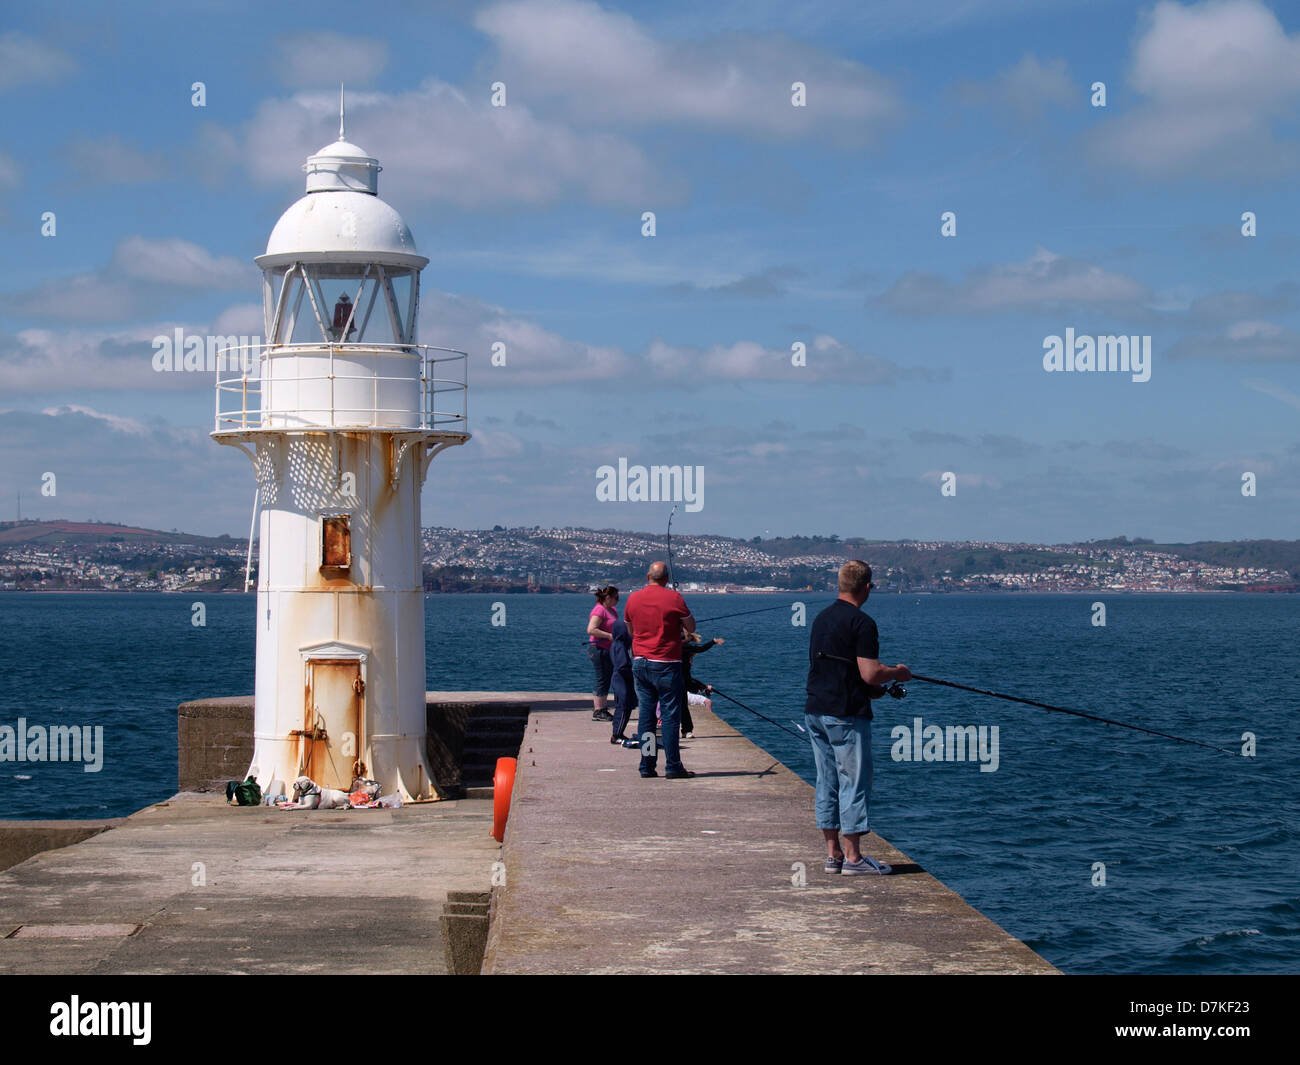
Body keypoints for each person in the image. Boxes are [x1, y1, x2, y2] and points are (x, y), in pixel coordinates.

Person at [804, 560, 910, 875]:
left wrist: (875, 689)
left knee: (827, 781)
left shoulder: (821, 619)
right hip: (845, 714)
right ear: (867, 587)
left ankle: (833, 854)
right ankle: (853, 859)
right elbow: (871, 673)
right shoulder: (863, 623)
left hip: (815, 710)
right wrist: (899, 674)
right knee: (854, 781)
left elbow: (842, 671)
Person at [623, 562, 694, 779]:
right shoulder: (674, 598)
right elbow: (690, 627)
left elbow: (630, 629)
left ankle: (646, 765)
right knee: (671, 716)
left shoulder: (633, 598)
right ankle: (673, 765)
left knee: (646, 717)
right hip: (666, 664)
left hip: (641, 662)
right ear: (666, 578)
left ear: (648, 576)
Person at [680, 632, 724, 738]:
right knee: (682, 706)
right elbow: (701, 649)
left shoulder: (674, 647)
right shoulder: (685, 648)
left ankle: (684, 730)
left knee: (678, 706)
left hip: (673, 679)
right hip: (680, 681)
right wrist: (713, 642)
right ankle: (686, 730)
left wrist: (702, 687)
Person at [586, 586, 618, 722]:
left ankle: (602, 706)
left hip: (608, 648)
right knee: (602, 678)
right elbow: (591, 629)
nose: (618, 600)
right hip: (599, 648)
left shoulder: (611, 610)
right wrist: (609, 636)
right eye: (616, 597)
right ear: (608, 597)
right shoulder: (599, 610)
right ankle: (599, 709)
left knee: (607, 677)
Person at [608, 618, 638, 746]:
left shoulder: (621, 645)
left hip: (623, 679)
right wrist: (633, 672)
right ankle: (616, 734)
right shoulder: (619, 645)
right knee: (624, 706)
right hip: (621, 679)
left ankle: (619, 732)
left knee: (625, 705)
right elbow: (622, 666)